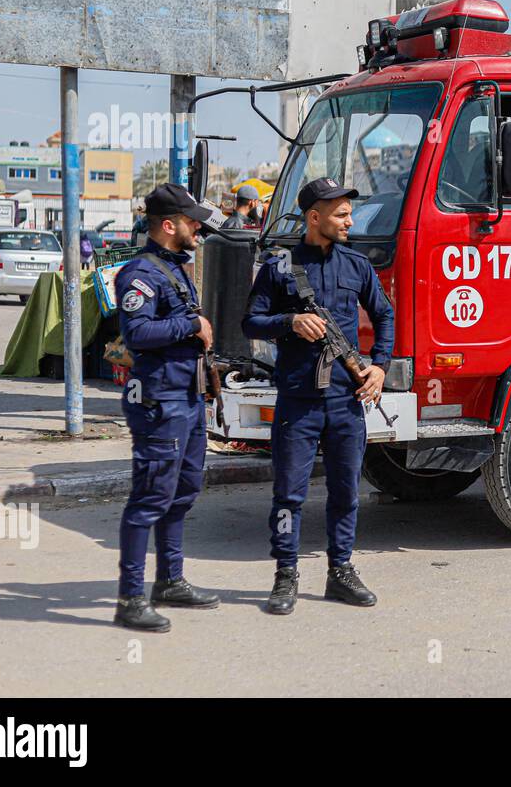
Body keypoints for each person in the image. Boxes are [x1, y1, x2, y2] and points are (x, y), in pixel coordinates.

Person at [242, 178, 394, 615]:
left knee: (346, 491)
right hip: (298, 400)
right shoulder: (280, 267)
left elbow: (384, 315)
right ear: (314, 217)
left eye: (349, 212)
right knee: (289, 494)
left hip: (347, 400)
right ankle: (285, 574)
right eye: (341, 214)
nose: (350, 220)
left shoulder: (356, 264)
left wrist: (379, 366)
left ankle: (341, 571)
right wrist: (289, 322)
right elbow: (250, 321)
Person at [112, 183, 220, 632]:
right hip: (160, 400)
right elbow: (137, 334)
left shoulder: (176, 268)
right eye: (192, 221)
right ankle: (130, 598)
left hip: (188, 399)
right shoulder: (141, 273)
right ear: (168, 225)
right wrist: (191, 323)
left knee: (183, 491)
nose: (199, 227)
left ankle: (170, 580)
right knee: (150, 498)